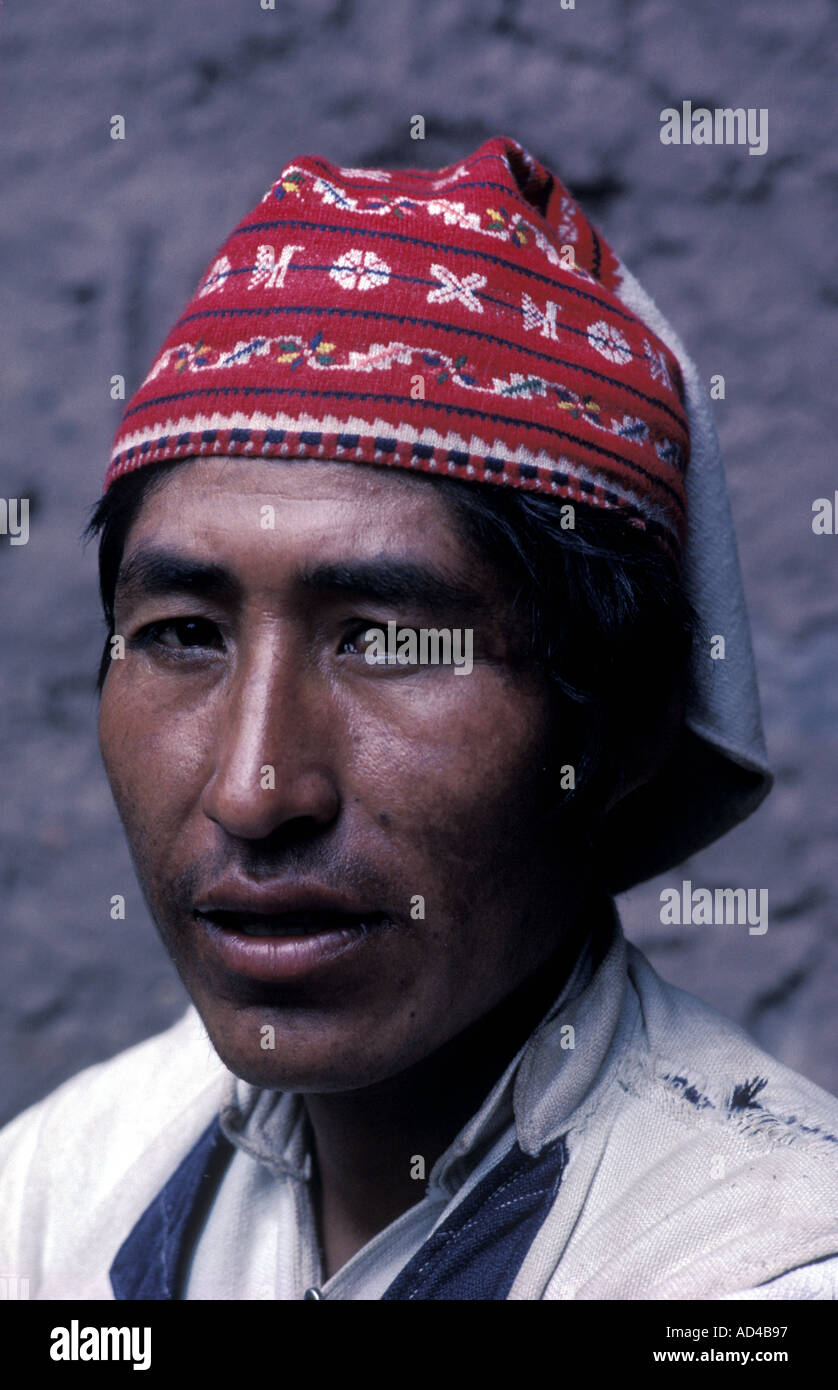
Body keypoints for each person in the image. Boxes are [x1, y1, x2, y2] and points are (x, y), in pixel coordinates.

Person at [2, 136, 836, 1301]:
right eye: (185, 633)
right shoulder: (55, 1198)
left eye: (393, 643)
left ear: (621, 727)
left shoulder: (758, 1278)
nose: (254, 788)